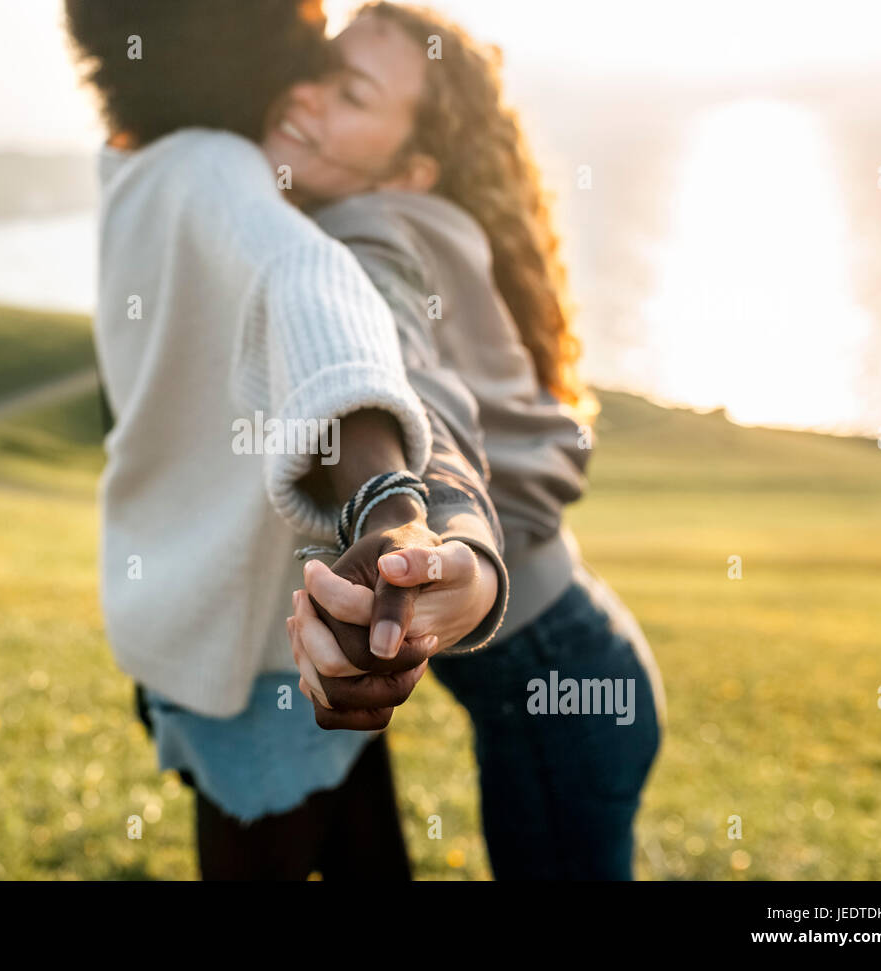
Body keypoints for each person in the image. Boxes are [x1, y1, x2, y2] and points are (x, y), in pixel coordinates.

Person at [65, 0, 508, 879]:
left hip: (230, 627)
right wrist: (388, 499)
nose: (307, 87)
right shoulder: (217, 169)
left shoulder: (136, 164)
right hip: (263, 658)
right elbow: (310, 286)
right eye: (305, 47)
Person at [276, 2, 666, 879]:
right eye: (319, 68)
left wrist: (431, 526)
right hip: (580, 660)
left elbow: (420, 394)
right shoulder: (423, 223)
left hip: (557, 692)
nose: (303, 94)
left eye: (349, 93)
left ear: (411, 167)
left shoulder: (370, 234)